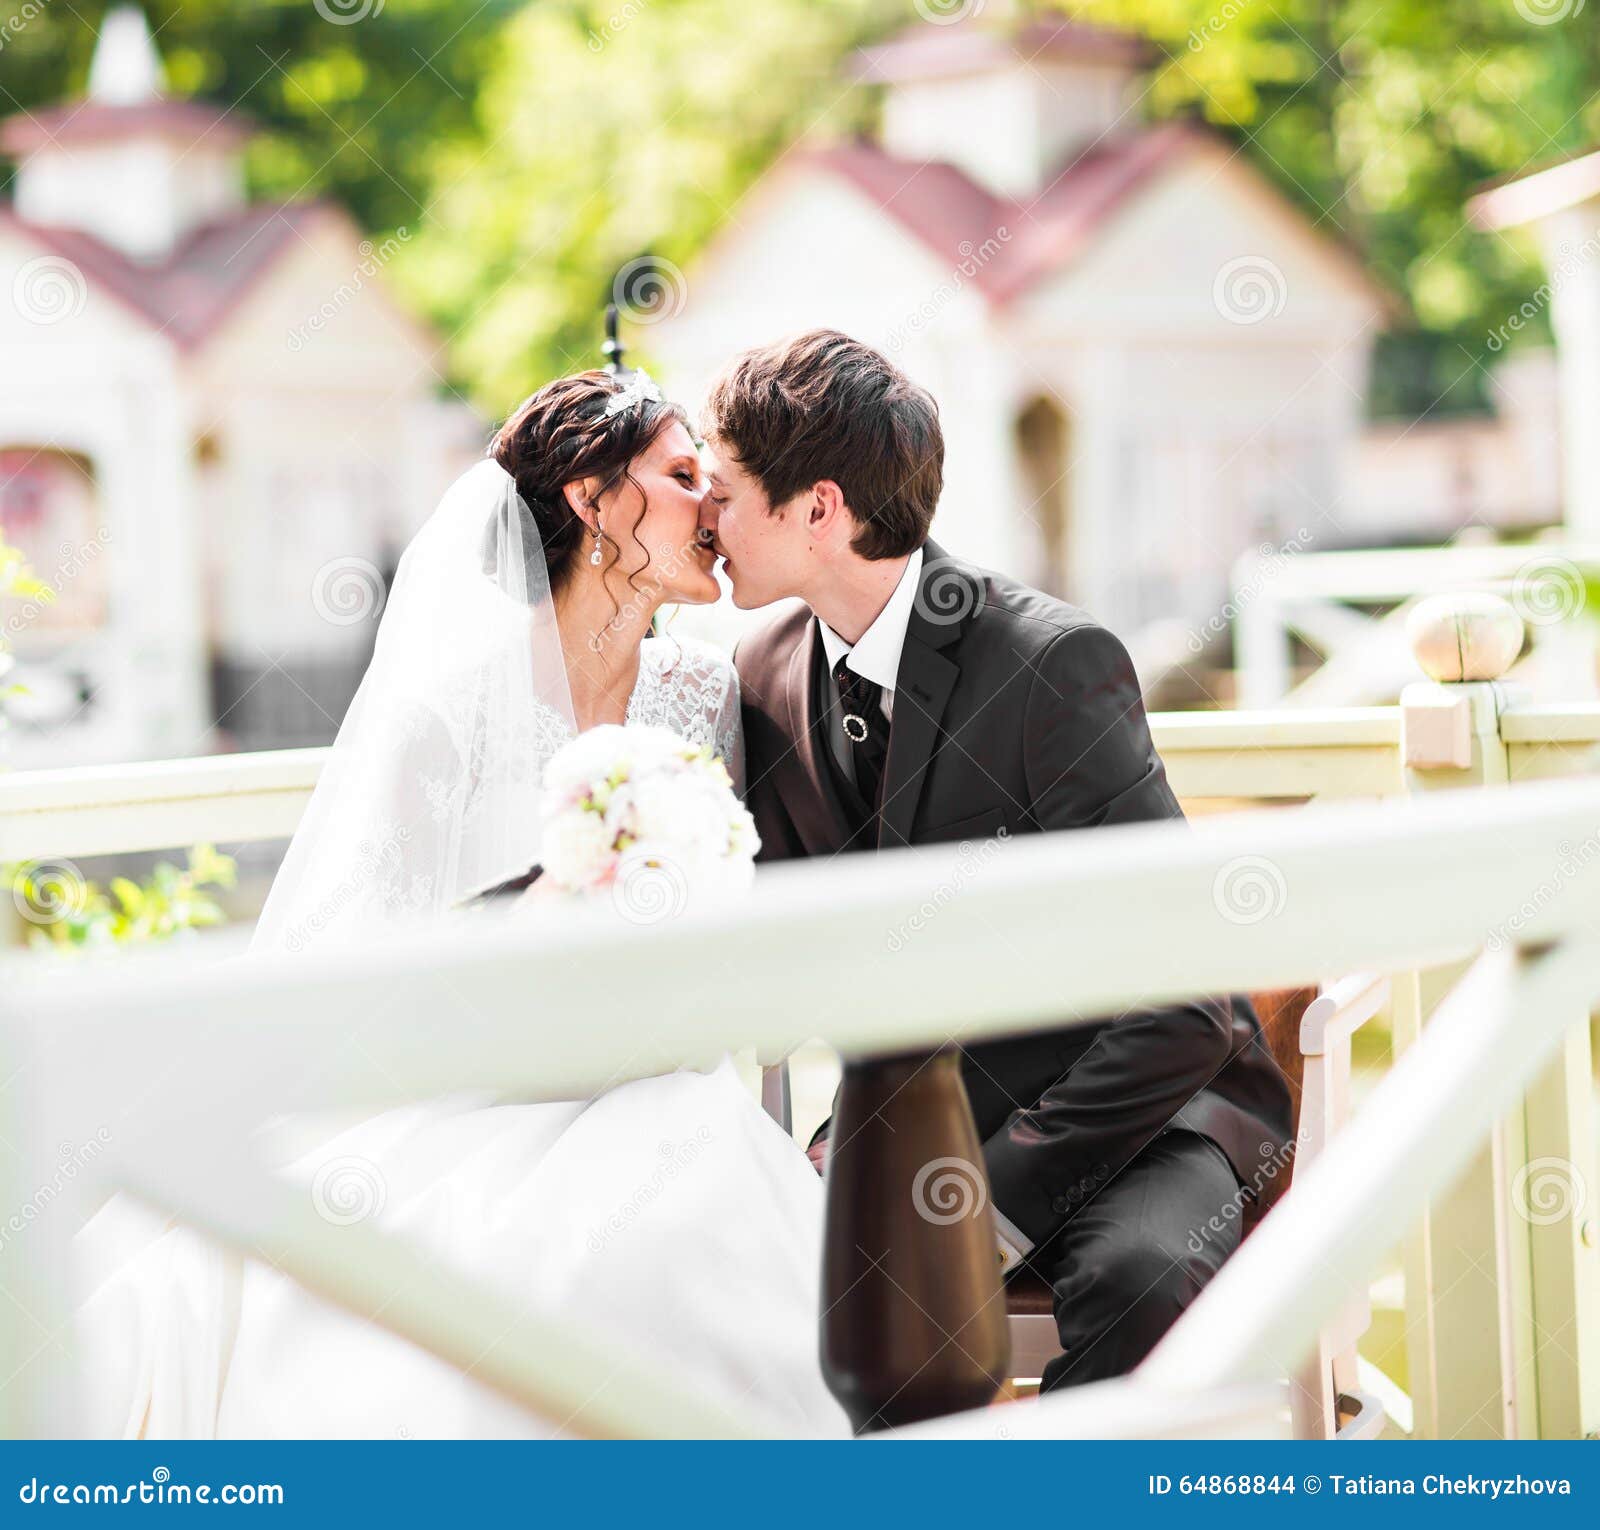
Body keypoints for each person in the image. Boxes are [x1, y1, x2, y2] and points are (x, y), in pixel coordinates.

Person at [72, 368, 847, 1438]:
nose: (710, 509)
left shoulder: (704, 694)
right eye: (679, 478)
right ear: (589, 498)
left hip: (657, 1075)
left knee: (695, 1177)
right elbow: (366, 964)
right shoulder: (449, 711)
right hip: (468, 1096)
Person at [701, 329, 1294, 1390]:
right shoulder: (759, 674)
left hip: (1151, 1118)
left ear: (820, 510)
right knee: (763, 1294)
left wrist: (992, 1205)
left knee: (1139, 1284)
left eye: (727, 489)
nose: (708, 516)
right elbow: (767, 946)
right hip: (919, 1127)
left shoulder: (1049, 666)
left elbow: (1185, 1006)